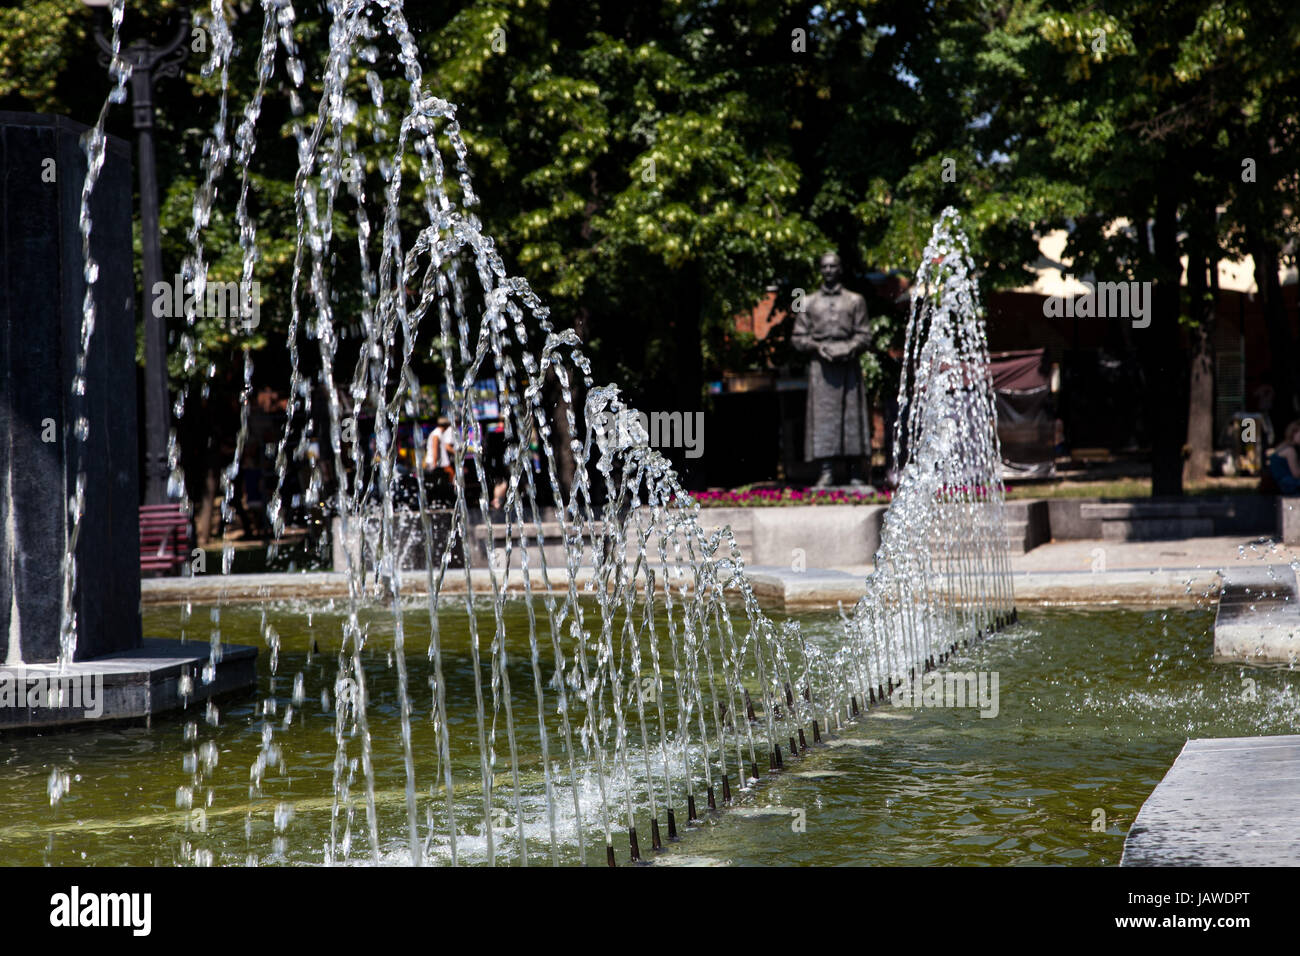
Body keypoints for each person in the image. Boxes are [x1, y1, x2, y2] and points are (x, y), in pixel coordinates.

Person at [791, 252, 873, 487]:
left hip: (849, 366)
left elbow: (865, 335)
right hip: (821, 367)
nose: (828, 270)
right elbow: (798, 338)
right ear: (820, 270)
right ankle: (826, 472)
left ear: (840, 269)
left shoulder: (855, 300)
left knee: (852, 418)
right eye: (824, 266)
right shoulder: (806, 302)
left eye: (833, 266)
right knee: (823, 419)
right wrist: (818, 347)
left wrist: (849, 348)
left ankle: (856, 473)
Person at [1265, 419, 1300, 495]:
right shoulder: (1290, 450)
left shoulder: (1282, 447)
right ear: (1294, 433)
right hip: (1288, 485)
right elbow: (1296, 474)